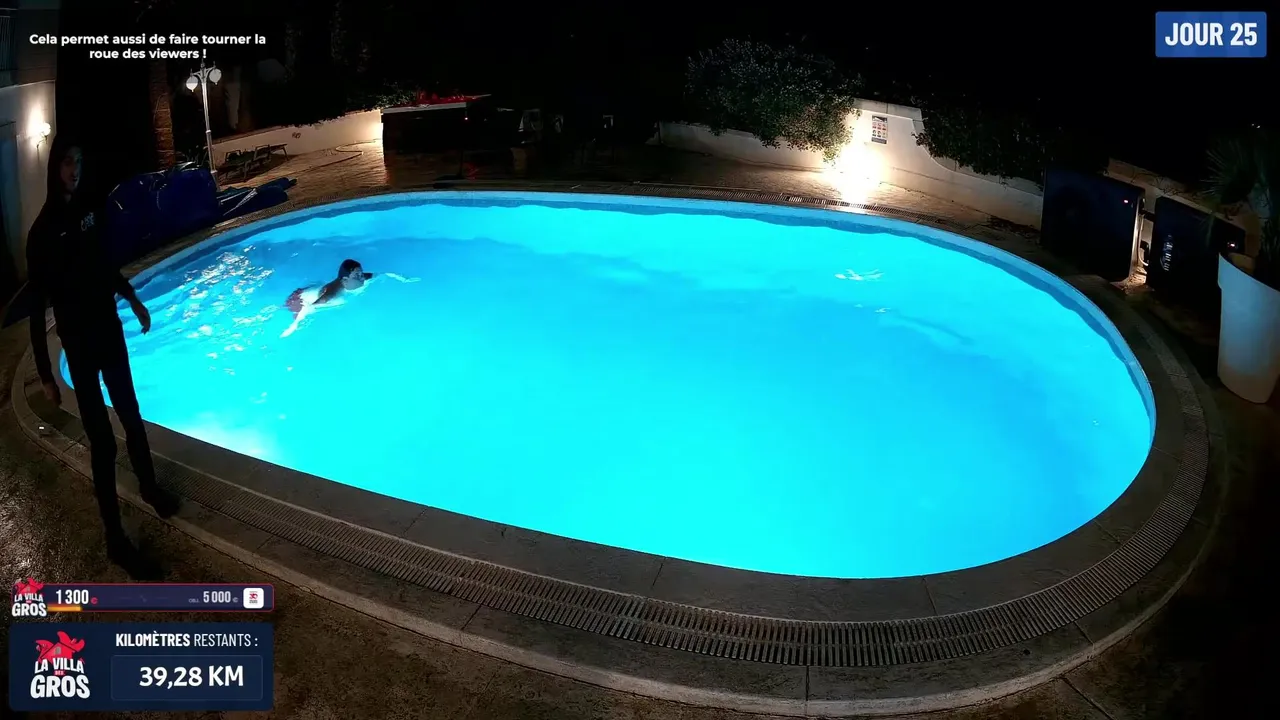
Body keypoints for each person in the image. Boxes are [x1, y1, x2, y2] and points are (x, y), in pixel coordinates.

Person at [26, 135, 179, 573]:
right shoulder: (42, 233)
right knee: (102, 442)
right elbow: (36, 307)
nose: (74, 170)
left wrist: (132, 297)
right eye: (67, 162)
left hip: (109, 332)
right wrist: (46, 374)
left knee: (131, 414)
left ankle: (149, 487)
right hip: (79, 345)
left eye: (78, 161)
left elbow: (103, 264)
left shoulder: (89, 210)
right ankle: (115, 539)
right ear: (54, 167)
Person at [281, 258, 418, 337]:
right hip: (300, 298)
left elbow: (383, 273)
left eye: (361, 273)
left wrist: (403, 279)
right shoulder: (333, 295)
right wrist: (293, 327)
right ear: (345, 280)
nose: (362, 277)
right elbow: (308, 308)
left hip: (317, 288)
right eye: (357, 275)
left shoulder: (363, 279)